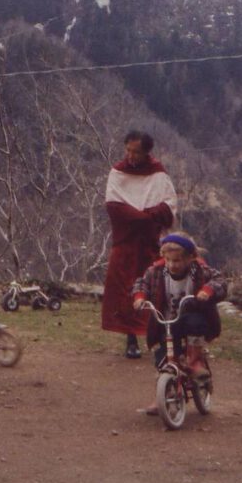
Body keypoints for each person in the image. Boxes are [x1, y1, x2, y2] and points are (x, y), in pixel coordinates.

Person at [102, 130, 177, 358]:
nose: (131, 156)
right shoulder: (118, 172)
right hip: (126, 242)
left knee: (155, 288)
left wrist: (145, 217)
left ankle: (158, 336)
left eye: (136, 152)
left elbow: (167, 207)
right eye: (128, 150)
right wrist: (146, 217)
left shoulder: (158, 174)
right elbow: (115, 207)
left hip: (149, 244)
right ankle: (130, 338)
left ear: (146, 152)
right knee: (126, 288)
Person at [132, 232, 226, 413]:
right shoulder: (156, 272)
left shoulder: (199, 271)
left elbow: (220, 281)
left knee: (195, 322)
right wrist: (140, 297)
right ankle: (163, 394)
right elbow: (141, 284)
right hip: (167, 320)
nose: (172, 265)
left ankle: (195, 361)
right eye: (168, 260)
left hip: (192, 317)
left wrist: (207, 291)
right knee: (163, 356)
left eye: (177, 261)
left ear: (190, 258)